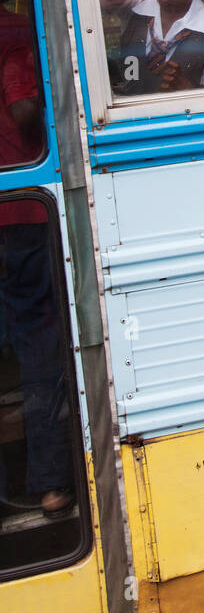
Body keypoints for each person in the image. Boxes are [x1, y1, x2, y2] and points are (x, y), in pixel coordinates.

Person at [0, 33, 74, 520]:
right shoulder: (15, 33)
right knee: (41, 349)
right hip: (23, 219)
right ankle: (50, 483)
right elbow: (28, 113)